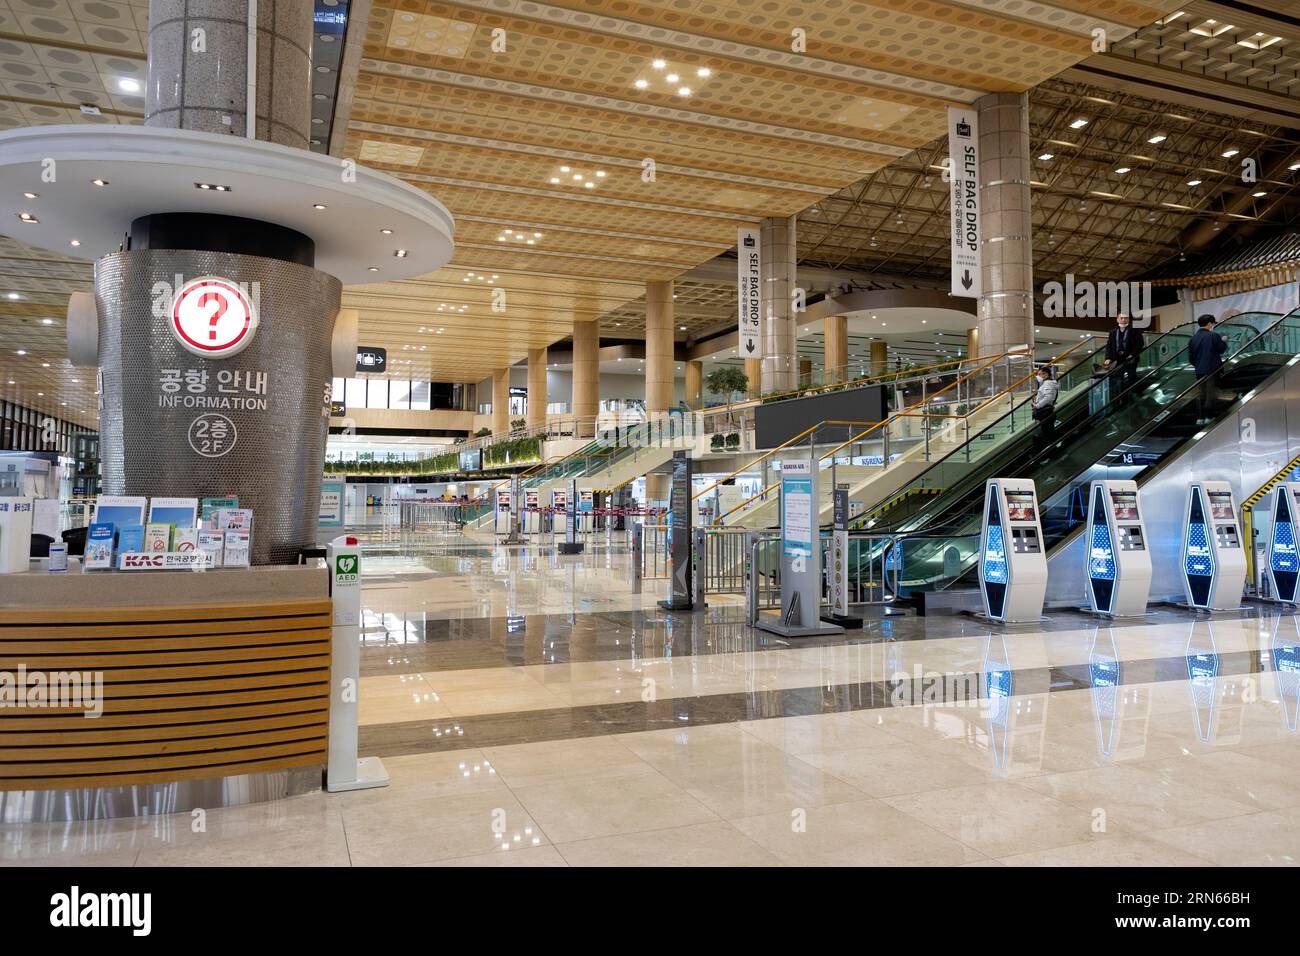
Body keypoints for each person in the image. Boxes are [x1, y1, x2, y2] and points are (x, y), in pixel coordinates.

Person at [1188, 313, 1228, 423]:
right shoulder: (1213, 336)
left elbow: (1191, 358)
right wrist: (1224, 341)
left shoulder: (1193, 339)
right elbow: (1221, 349)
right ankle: (1208, 417)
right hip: (1212, 369)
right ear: (1210, 324)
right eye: (1213, 324)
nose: (1213, 326)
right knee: (1210, 393)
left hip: (1199, 370)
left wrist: (1199, 365)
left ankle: (1200, 418)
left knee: (1202, 394)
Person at [1103, 312, 1144, 391]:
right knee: (1118, 380)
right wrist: (1108, 358)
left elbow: (1139, 344)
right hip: (1116, 360)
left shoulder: (1135, 329)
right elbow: (1109, 346)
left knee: (1131, 379)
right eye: (1121, 318)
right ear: (1117, 320)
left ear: (1128, 319)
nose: (1123, 319)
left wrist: (1132, 355)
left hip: (1130, 359)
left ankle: (1132, 395)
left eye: (1126, 318)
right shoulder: (1113, 332)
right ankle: (1121, 396)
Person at [1032, 364, 1058, 446]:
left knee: (1047, 434)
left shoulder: (1048, 383)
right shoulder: (1048, 383)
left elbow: (1048, 397)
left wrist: (1037, 405)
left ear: (1046, 374)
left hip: (1046, 413)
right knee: (1048, 433)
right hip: (1047, 412)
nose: (1039, 376)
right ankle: (1051, 449)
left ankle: (1050, 450)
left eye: (1040, 374)